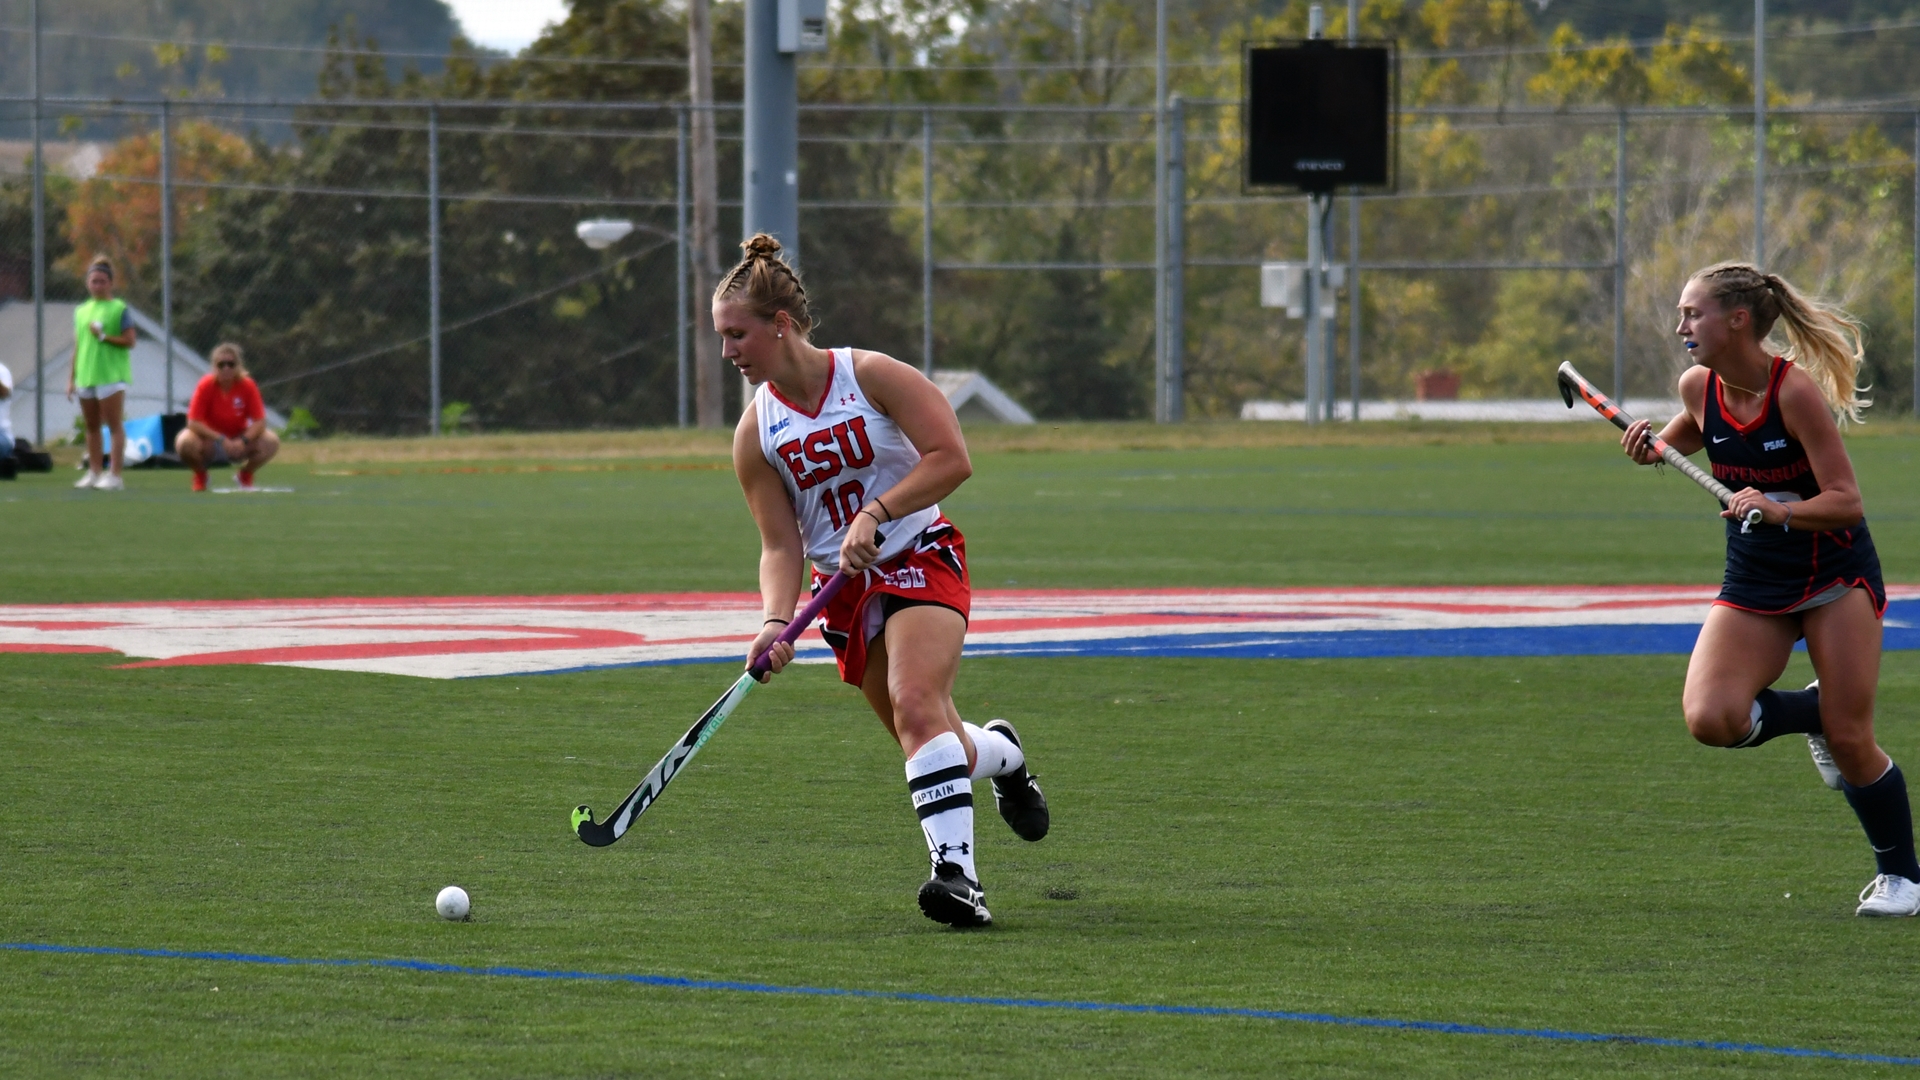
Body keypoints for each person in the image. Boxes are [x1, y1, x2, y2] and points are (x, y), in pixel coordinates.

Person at [727, 234, 1048, 928]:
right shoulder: (757, 432)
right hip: (841, 594)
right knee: (935, 740)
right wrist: (774, 622)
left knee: (913, 701)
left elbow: (951, 457)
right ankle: (1006, 756)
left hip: (919, 552)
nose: (729, 352)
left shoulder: (871, 376)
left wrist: (879, 510)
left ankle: (958, 878)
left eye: (737, 334)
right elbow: (780, 544)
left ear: (779, 325)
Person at [1622, 261, 1917, 917]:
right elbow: (1682, 439)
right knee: (1712, 719)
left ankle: (1903, 878)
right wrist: (1651, 446)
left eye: (1692, 314)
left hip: (1833, 576)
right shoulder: (1699, 387)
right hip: (1756, 579)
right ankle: (1813, 711)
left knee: (1852, 740)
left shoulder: (1795, 393)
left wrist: (1780, 509)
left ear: (1738, 321)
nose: (1681, 327)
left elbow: (1845, 501)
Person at [68, 255, 135, 491]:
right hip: (87, 374)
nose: (98, 285)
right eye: (94, 281)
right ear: (88, 283)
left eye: (102, 281)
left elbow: (130, 341)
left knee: (114, 424)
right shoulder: (81, 311)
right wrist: (71, 378)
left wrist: (105, 337)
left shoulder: (119, 308)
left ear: (110, 283)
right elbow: (77, 346)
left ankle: (115, 475)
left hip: (110, 374)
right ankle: (94, 472)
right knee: (91, 426)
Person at [178, 343, 278, 492]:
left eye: (231, 364)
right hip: (211, 441)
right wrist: (220, 439)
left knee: (271, 441)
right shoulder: (205, 385)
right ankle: (201, 475)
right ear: (214, 367)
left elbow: (259, 421)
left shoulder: (248, 385)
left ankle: (245, 475)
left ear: (238, 366)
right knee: (184, 442)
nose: (226, 368)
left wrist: (243, 440)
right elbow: (193, 422)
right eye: (221, 364)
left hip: (238, 441)